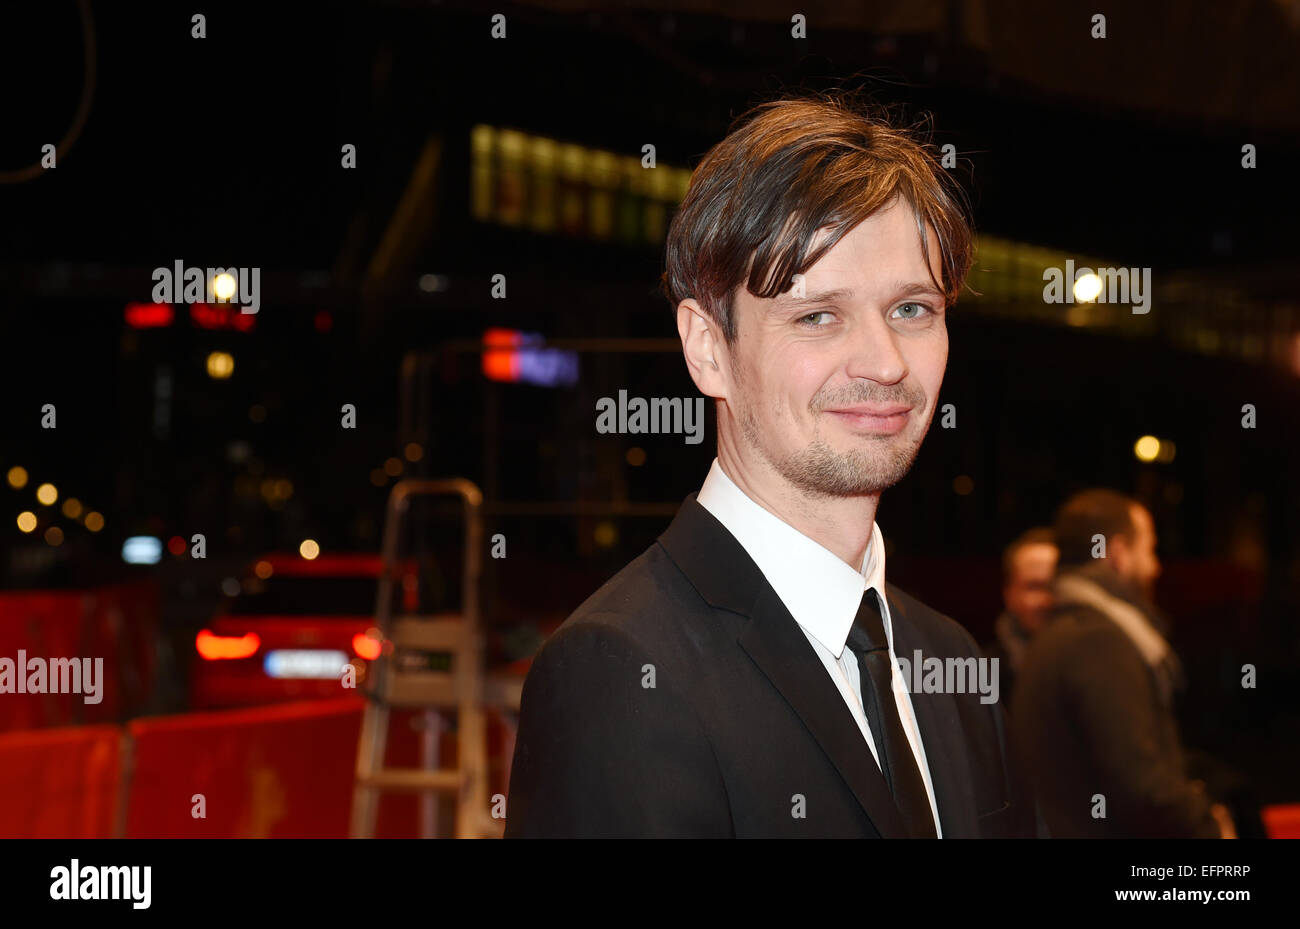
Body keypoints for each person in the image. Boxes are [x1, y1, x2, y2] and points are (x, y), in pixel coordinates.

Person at [505, 91, 1033, 838]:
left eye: (912, 309)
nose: (885, 362)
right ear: (707, 348)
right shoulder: (620, 671)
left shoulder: (949, 658)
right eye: (818, 315)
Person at [1011, 489, 1234, 838]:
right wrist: (1209, 829)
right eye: (1150, 549)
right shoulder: (1097, 641)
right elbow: (1142, 788)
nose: (1156, 567)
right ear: (1117, 554)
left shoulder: (1064, 630)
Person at [985, 528, 1057, 703]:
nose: (1046, 600)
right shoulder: (984, 674)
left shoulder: (1090, 662)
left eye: (1053, 585)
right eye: (1033, 587)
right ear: (1009, 594)